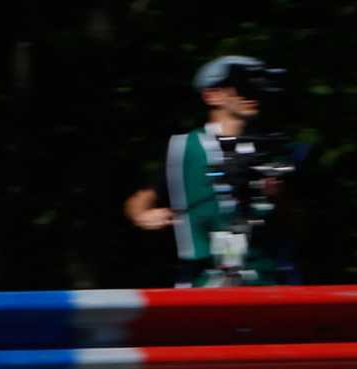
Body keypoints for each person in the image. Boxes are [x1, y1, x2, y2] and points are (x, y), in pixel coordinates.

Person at [124, 55, 291, 287]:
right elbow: (139, 202)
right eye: (242, 86)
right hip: (202, 285)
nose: (253, 95)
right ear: (212, 95)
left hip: (264, 285)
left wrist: (278, 195)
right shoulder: (187, 150)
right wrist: (144, 216)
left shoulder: (271, 147)